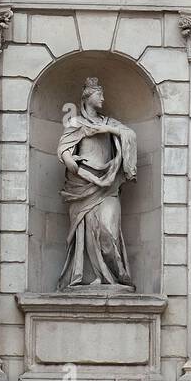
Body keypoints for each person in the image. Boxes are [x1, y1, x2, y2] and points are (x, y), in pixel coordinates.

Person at [57, 78, 138, 290]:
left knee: (107, 230)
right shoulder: (75, 123)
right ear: (87, 97)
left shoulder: (110, 123)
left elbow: (130, 134)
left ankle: (116, 276)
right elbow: (64, 150)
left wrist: (107, 131)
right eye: (99, 94)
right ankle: (90, 276)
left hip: (108, 185)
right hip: (82, 185)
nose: (102, 98)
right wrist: (70, 161)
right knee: (87, 232)